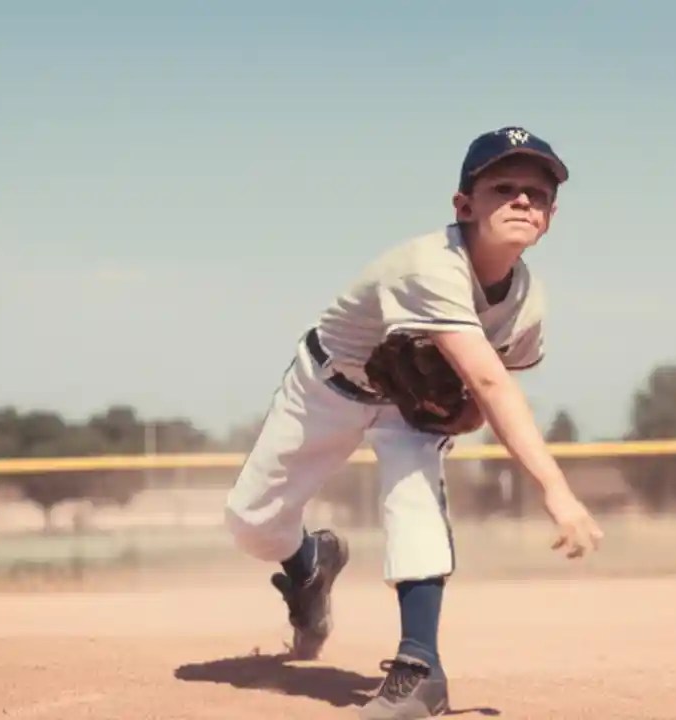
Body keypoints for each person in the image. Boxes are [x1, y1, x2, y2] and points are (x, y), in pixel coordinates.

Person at [224, 126, 604, 718]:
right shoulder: (429, 266)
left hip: (407, 413)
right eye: (503, 187)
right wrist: (557, 493)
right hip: (328, 385)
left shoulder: (528, 305)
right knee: (251, 525)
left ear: (551, 215)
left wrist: (454, 417)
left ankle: (419, 666)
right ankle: (308, 564)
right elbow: (488, 380)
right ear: (464, 205)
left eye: (538, 192)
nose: (523, 200)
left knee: (415, 497)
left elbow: (487, 397)